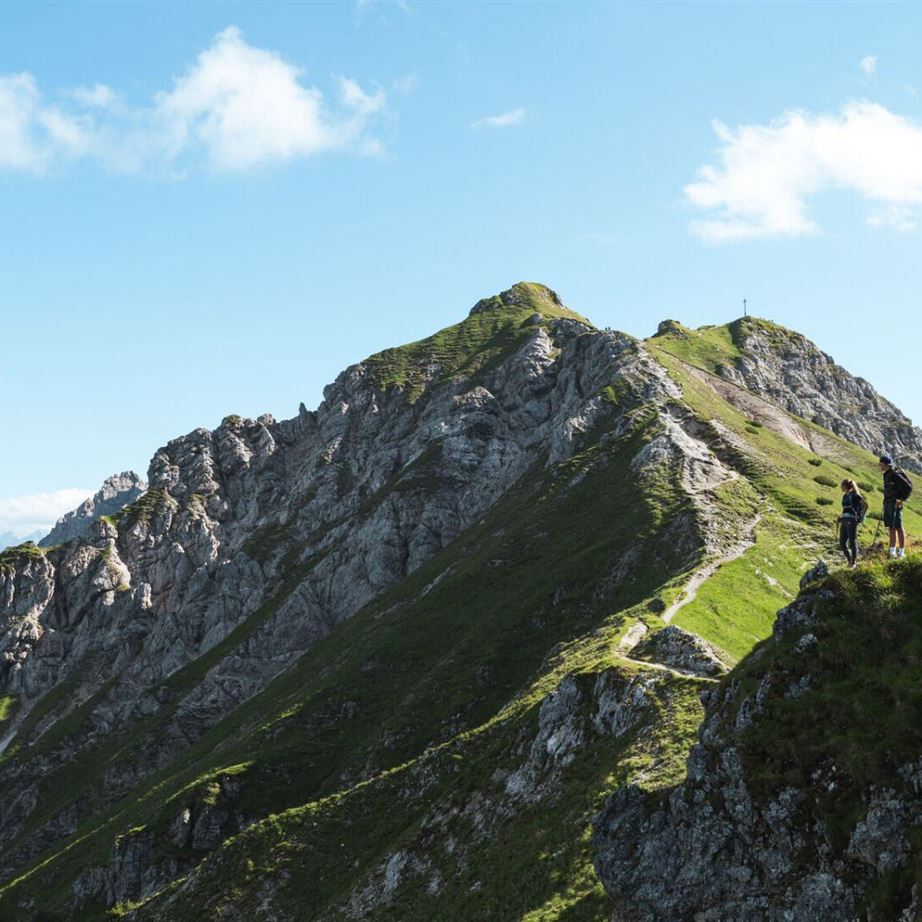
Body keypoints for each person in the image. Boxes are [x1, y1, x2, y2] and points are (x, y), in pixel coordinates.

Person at [880, 455, 908, 558]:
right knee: (891, 527)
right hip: (888, 502)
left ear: (886, 465)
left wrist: (901, 499)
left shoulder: (895, 474)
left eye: (881, 464)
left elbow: (907, 487)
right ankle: (892, 551)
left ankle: (901, 552)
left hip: (895, 503)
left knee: (898, 527)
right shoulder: (886, 475)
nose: (880, 466)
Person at [838, 479, 866, 569]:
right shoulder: (845, 496)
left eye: (842, 485)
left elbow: (865, 505)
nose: (841, 487)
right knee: (842, 542)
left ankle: (853, 562)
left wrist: (860, 517)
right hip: (845, 519)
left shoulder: (855, 495)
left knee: (852, 541)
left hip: (851, 519)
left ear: (845, 486)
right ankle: (850, 561)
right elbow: (845, 509)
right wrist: (841, 518)